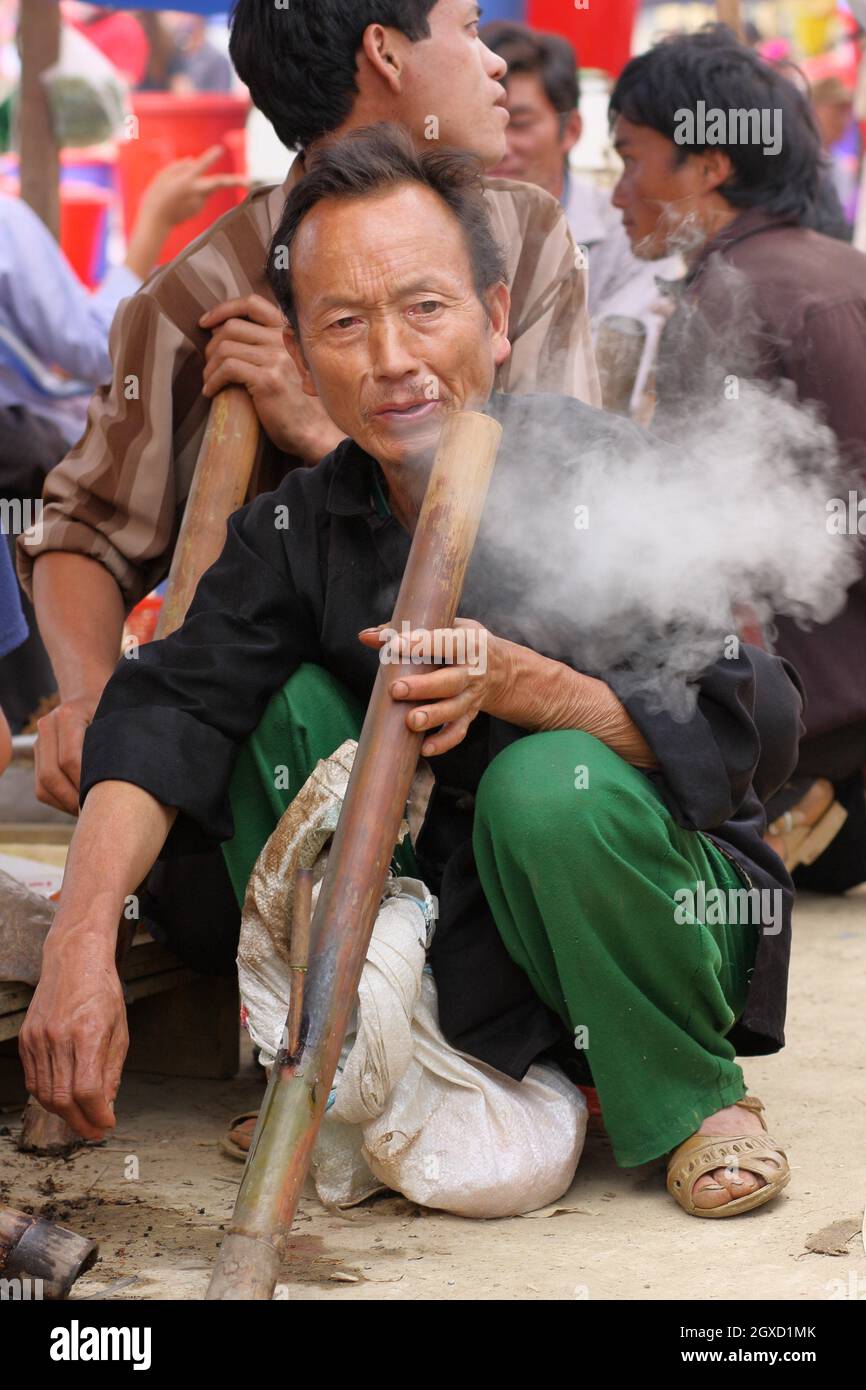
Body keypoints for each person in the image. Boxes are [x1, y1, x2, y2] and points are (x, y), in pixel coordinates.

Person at [21, 126, 801, 1219]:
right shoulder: (294, 526)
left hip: (648, 910)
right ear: (301, 352)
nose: (391, 358)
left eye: (424, 309)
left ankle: (688, 1097)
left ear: (490, 318)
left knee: (545, 787)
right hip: (451, 939)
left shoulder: (596, 472)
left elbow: (747, 726)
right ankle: (346, 1066)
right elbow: (167, 711)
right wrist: (80, 936)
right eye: (344, 322)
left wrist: (537, 691)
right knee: (268, 708)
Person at [18, 2, 598, 914]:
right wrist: (89, 697)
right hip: (261, 791)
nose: (494, 65)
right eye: (469, 28)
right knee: (290, 704)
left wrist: (330, 431)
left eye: (422, 312)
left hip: (502, 743)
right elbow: (80, 530)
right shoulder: (193, 294)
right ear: (386, 53)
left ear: (485, 312)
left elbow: (565, 519)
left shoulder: (522, 244)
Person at [609, 25, 866, 892]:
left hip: (820, 735)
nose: (617, 194)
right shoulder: (841, 269)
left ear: (711, 167)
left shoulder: (729, 299)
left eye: (632, 158)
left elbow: (687, 556)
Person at [0, 152, 246, 728]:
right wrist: (153, 224)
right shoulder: (6, 223)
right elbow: (88, 344)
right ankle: (54, 705)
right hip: (27, 473)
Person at [481, 20, 681, 332]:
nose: (500, 147)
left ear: (571, 130)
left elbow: (618, 356)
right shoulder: (445, 230)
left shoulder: (629, 233)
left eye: (519, 124)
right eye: (487, 123)